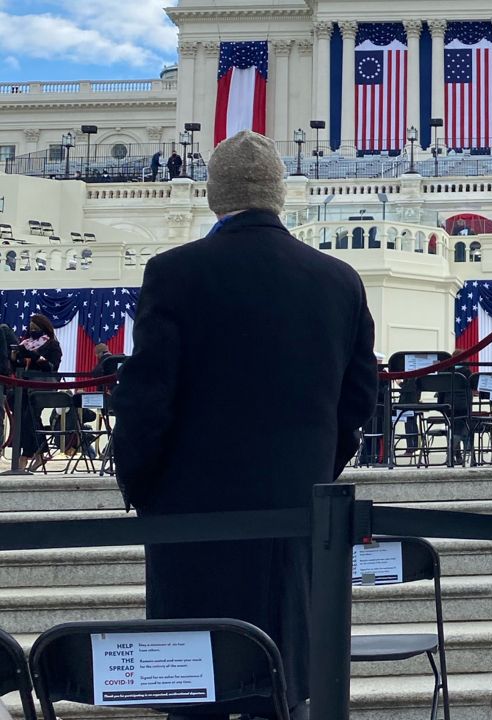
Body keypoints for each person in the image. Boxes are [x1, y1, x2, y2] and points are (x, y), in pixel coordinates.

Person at [112, 130, 379, 720]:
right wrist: (314, 470)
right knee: (282, 689)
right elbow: (360, 397)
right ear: (278, 195)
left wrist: (142, 486)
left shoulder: (174, 273)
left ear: (214, 195)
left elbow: (147, 398)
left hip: (192, 524)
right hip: (296, 520)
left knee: (195, 692)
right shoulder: (339, 280)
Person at [11, 313, 62, 471]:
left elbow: (51, 367)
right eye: (30, 328)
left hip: (42, 387)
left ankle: (24, 457)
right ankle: (40, 454)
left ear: (44, 328)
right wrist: (15, 358)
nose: (32, 331)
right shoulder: (26, 343)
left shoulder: (52, 345)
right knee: (26, 419)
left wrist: (33, 356)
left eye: (36, 328)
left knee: (28, 418)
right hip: (24, 386)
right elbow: (17, 369)